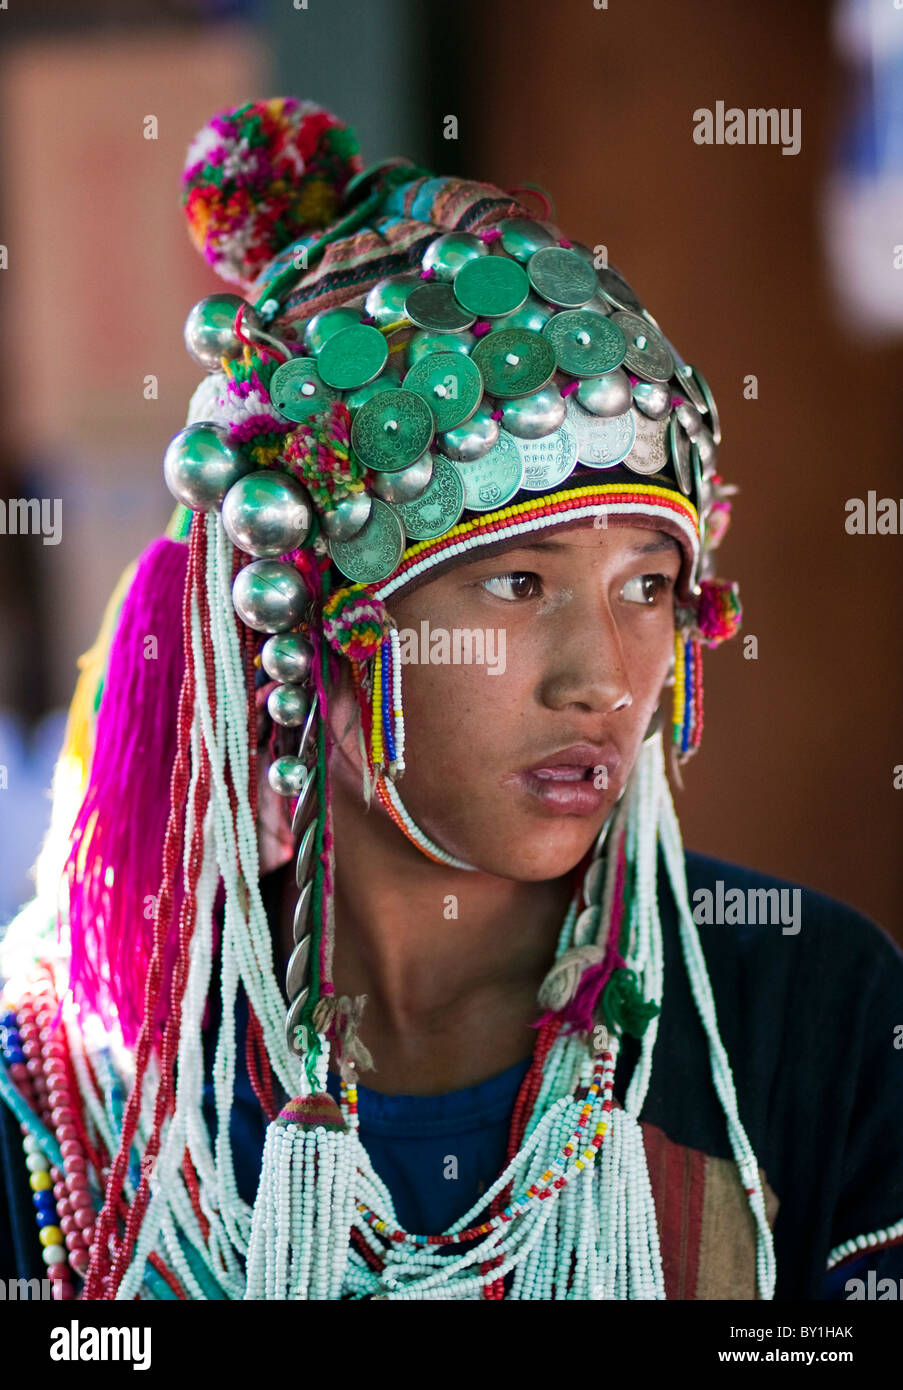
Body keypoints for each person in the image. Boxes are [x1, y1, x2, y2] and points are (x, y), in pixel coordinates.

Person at [1, 96, 901, 1302]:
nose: (603, 679)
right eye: (519, 582)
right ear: (309, 617)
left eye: (649, 584)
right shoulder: (75, 1082)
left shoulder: (815, 1010)